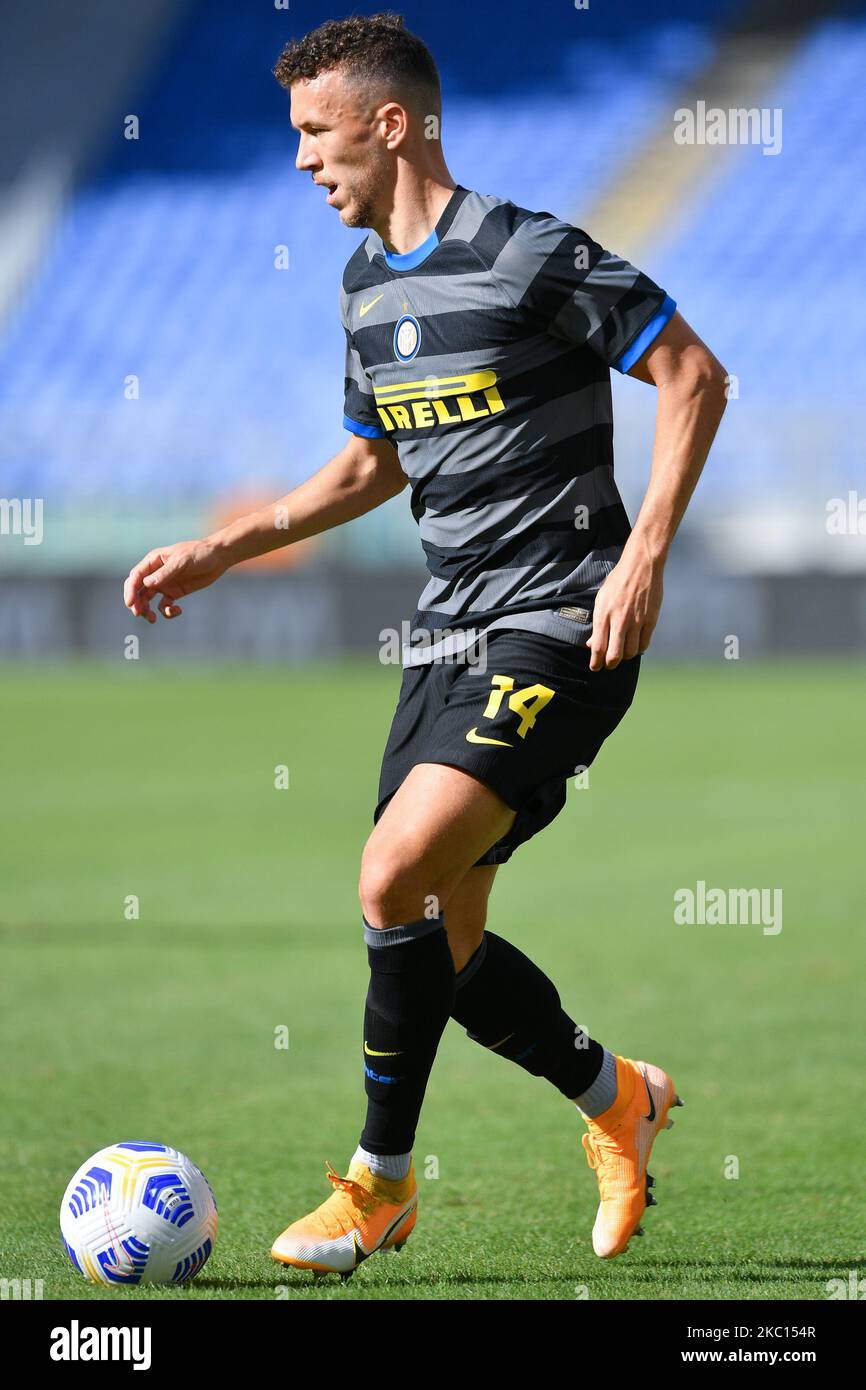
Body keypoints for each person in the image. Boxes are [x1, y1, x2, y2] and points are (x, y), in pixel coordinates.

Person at [123, 12, 727, 1278]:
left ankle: (376, 1187)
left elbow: (689, 373)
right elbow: (372, 459)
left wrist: (645, 552)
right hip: (442, 639)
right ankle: (615, 1098)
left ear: (388, 122)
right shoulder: (364, 285)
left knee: (390, 875)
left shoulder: (525, 250)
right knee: (437, 940)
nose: (298, 159)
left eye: (312, 130)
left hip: (560, 618)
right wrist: (227, 546)